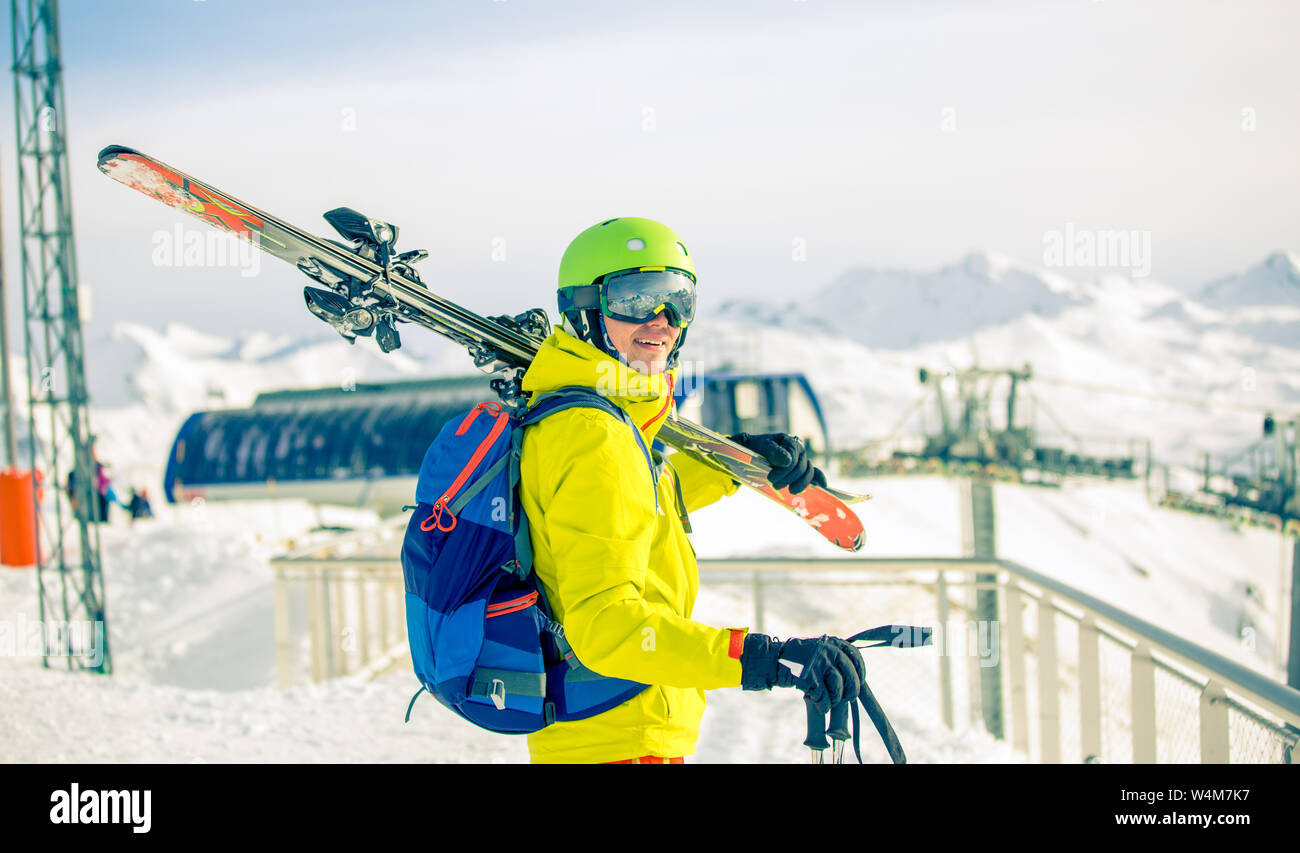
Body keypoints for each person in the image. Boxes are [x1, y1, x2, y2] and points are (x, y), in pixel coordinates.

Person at [517, 217, 865, 764]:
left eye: (679, 300)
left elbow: (638, 505)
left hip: (613, 736)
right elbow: (607, 629)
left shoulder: (601, 423)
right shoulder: (592, 435)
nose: (662, 320)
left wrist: (737, 460)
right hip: (618, 742)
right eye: (635, 299)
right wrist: (766, 658)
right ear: (584, 308)